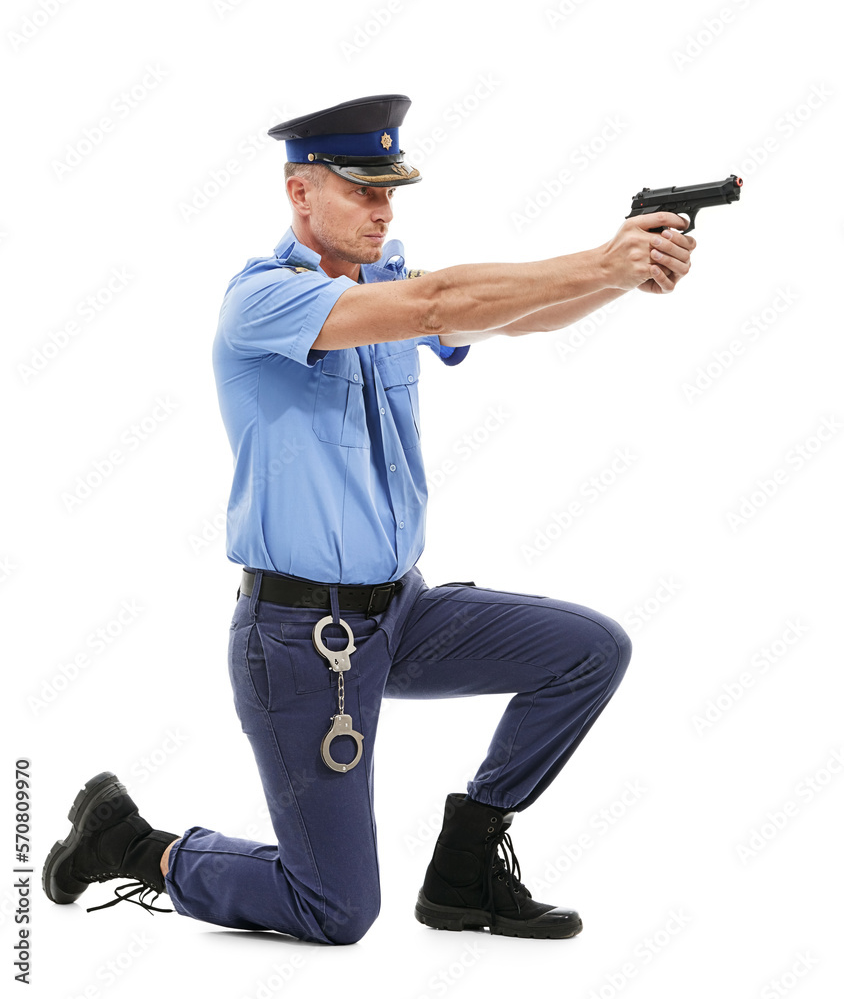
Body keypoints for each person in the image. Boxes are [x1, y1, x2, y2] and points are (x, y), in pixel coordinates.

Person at [43, 93, 696, 943]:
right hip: (302, 640)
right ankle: (135, 845)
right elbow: (439, 307)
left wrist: (620, 279)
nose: (382, 208)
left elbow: (513, 315)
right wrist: (601, 260)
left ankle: (465, 866)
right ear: (299, 192)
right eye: (360, 189)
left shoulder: (388, 284)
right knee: (337, 909)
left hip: (404, 611)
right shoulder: (264, 301)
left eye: (390, 190)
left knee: (589, 651)